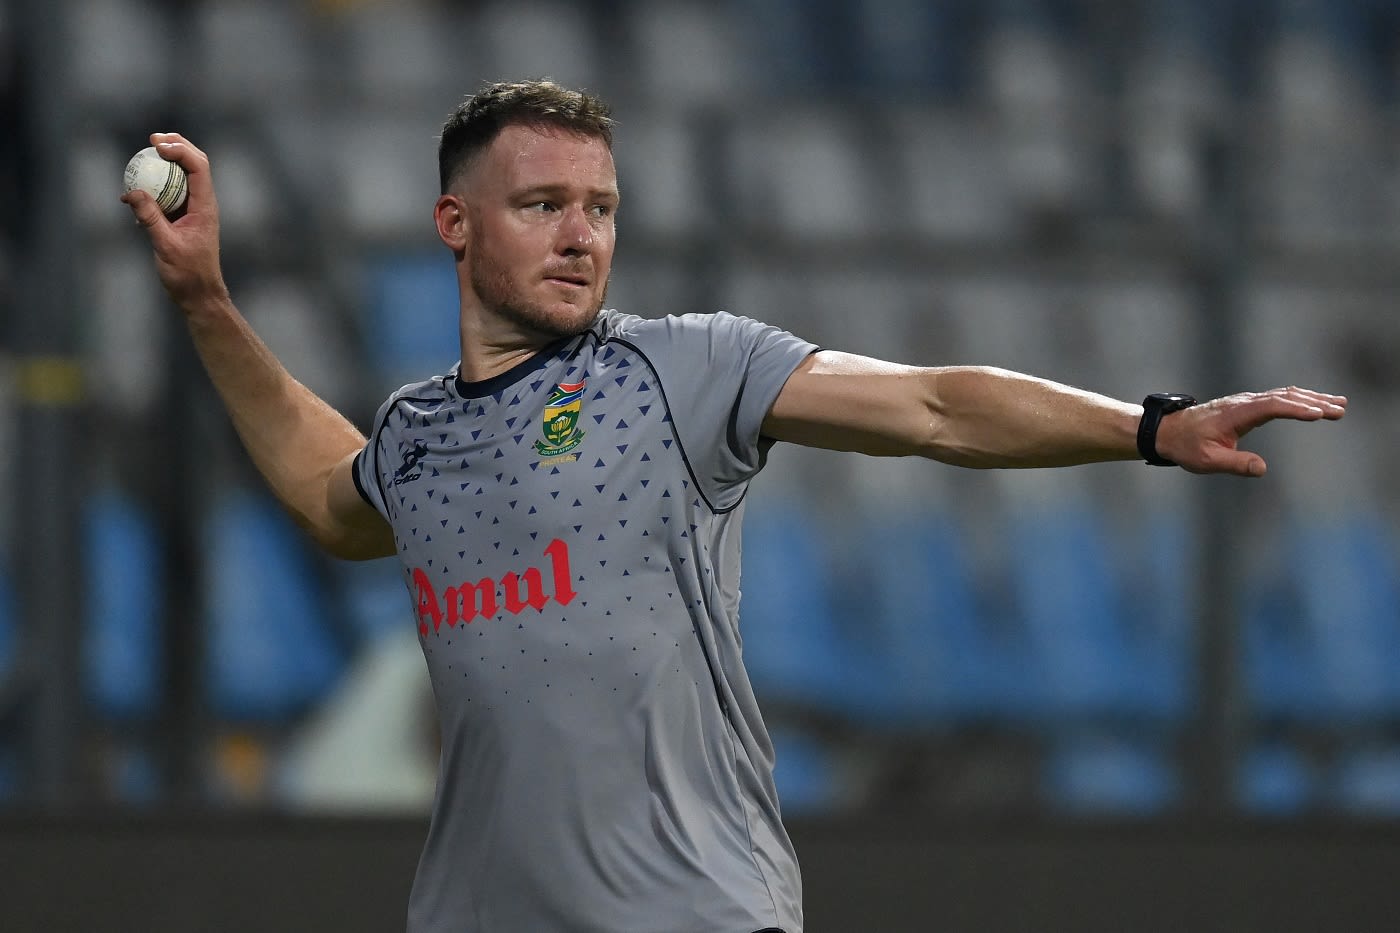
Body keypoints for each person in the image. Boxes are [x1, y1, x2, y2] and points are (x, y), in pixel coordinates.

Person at [122, 79, 1346, 933]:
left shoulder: (683, 368)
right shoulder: (419, 434)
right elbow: (335, 506)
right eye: (541, 203)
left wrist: (1144, 425)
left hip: (692, 912)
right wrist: (204, 300)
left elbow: (930, 407)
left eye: (599, 208)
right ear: (454, 224)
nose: (580, 234)